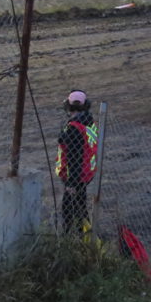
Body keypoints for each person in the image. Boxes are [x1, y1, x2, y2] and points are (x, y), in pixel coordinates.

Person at [55, 89, 98, 236]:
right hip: (86, 174)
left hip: (76, 176)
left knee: (69, 210)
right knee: (80, 206)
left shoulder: (74, 129)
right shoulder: (88, 122)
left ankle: (74, 238)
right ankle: (83, 236)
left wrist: (71, 184)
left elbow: (74, 158)